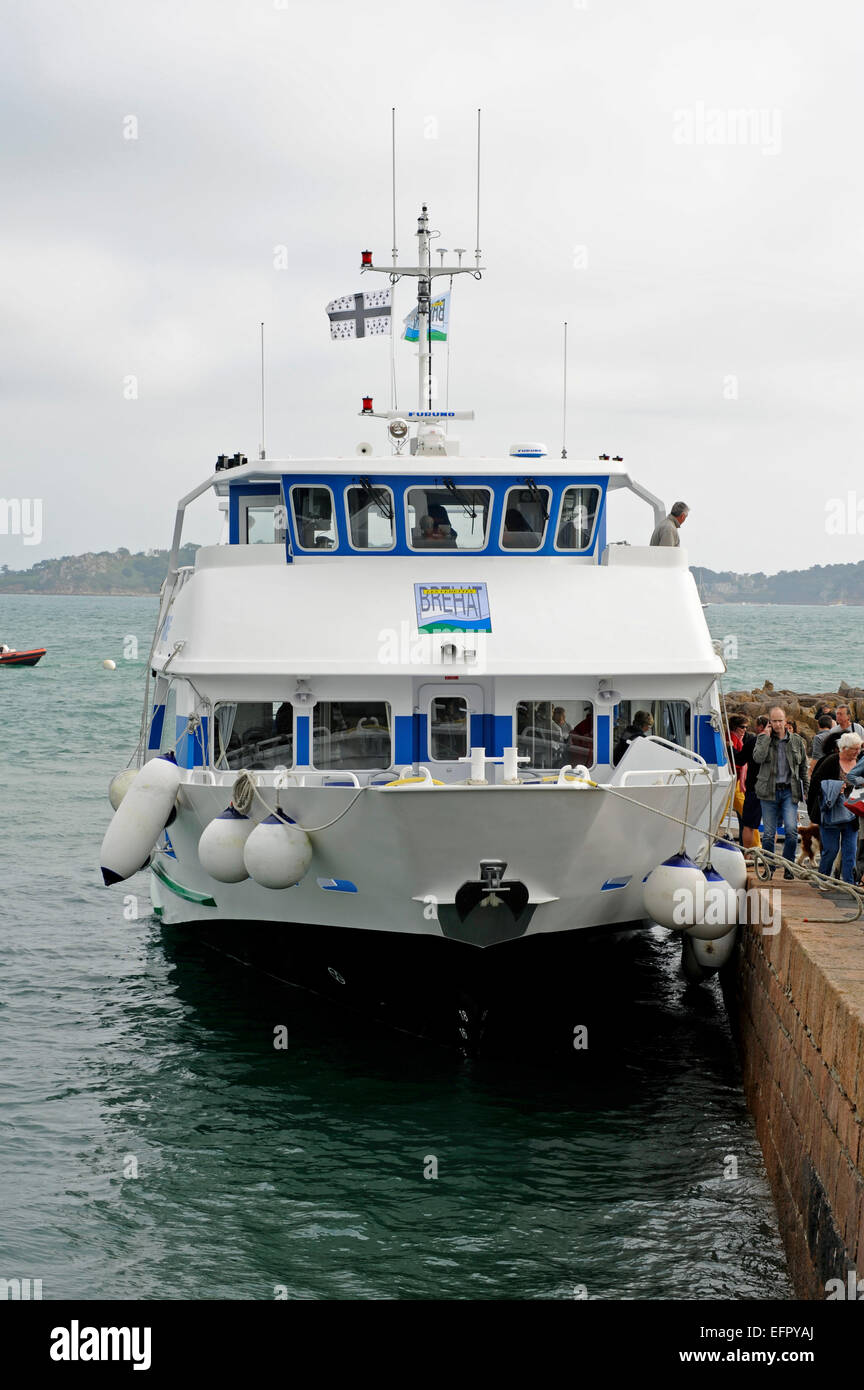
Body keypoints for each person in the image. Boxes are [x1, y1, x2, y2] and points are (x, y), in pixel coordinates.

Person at [753, 706, 809, 875]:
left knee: (792, 831)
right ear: (769, 722)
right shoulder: (763, 739)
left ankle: (788, 866)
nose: (777, 724)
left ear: (786, 721)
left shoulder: (797, 741)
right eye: (774, 721)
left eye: (780, 720)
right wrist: (766, 737)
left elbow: (803, 767)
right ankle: (769, 867)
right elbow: (758, 758)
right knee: (769, 834)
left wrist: (805, 790)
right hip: (768, 792)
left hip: (789, 792)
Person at [807, 732, 864, 883]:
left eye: (859, 748)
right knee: (830, 851)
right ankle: (823, 879)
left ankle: (849, 884)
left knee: (850, 852)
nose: (858, 752)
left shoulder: (859, 763)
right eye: (855, 749)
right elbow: (815, 784)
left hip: (852, 815)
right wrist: (834, 787)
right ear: (844, 748)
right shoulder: (831, 761)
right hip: (831, 814)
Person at [737, 714, 768, 849]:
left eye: (756, 725)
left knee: (748, 825)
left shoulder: (752, 742)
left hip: (754, 787)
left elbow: (740, 760)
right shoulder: (777, 743)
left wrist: (730, 748)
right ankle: (769, 855)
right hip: (771, 788)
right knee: (770, 827)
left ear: (761, 727)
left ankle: (747, 854)